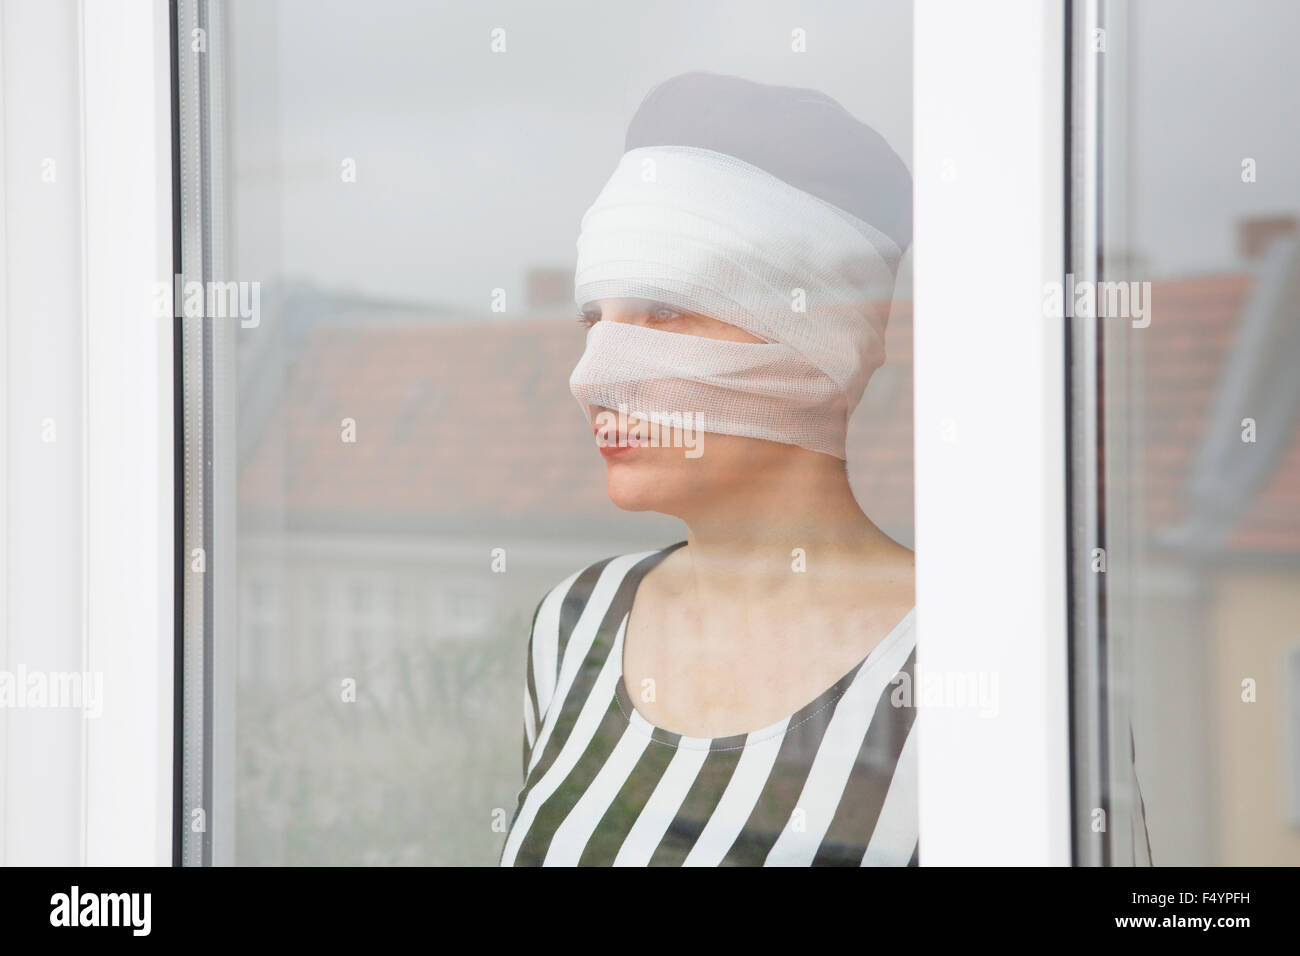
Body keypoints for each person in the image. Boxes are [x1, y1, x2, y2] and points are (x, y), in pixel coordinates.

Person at [500, 72, 916, 866]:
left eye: (664, 312)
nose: (591, 377)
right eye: (594, 318)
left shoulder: (979, 662)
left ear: (822, 340)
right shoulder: (578, 623)